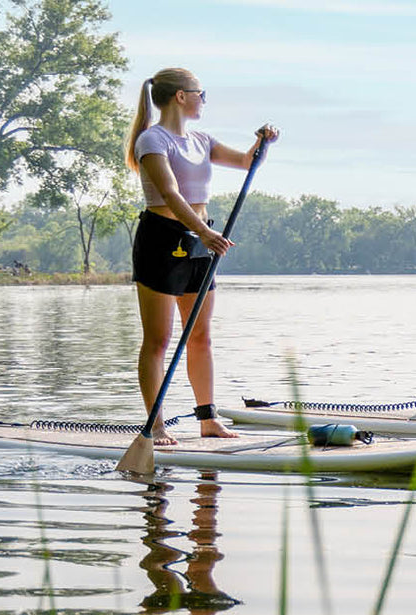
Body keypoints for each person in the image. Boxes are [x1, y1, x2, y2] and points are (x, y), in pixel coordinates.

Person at [126, 67, 276, 444]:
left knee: (201, 338)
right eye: (200, 93)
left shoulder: (202, 139)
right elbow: (172, 194)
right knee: (158, 341)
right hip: (163, 240)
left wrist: (262, 143)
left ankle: (208, 419)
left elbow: (246, 162)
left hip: (199, 244)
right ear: (181, 96)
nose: (204, 99)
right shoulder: (152, 140)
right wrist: (207, 232)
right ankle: (156, 426)